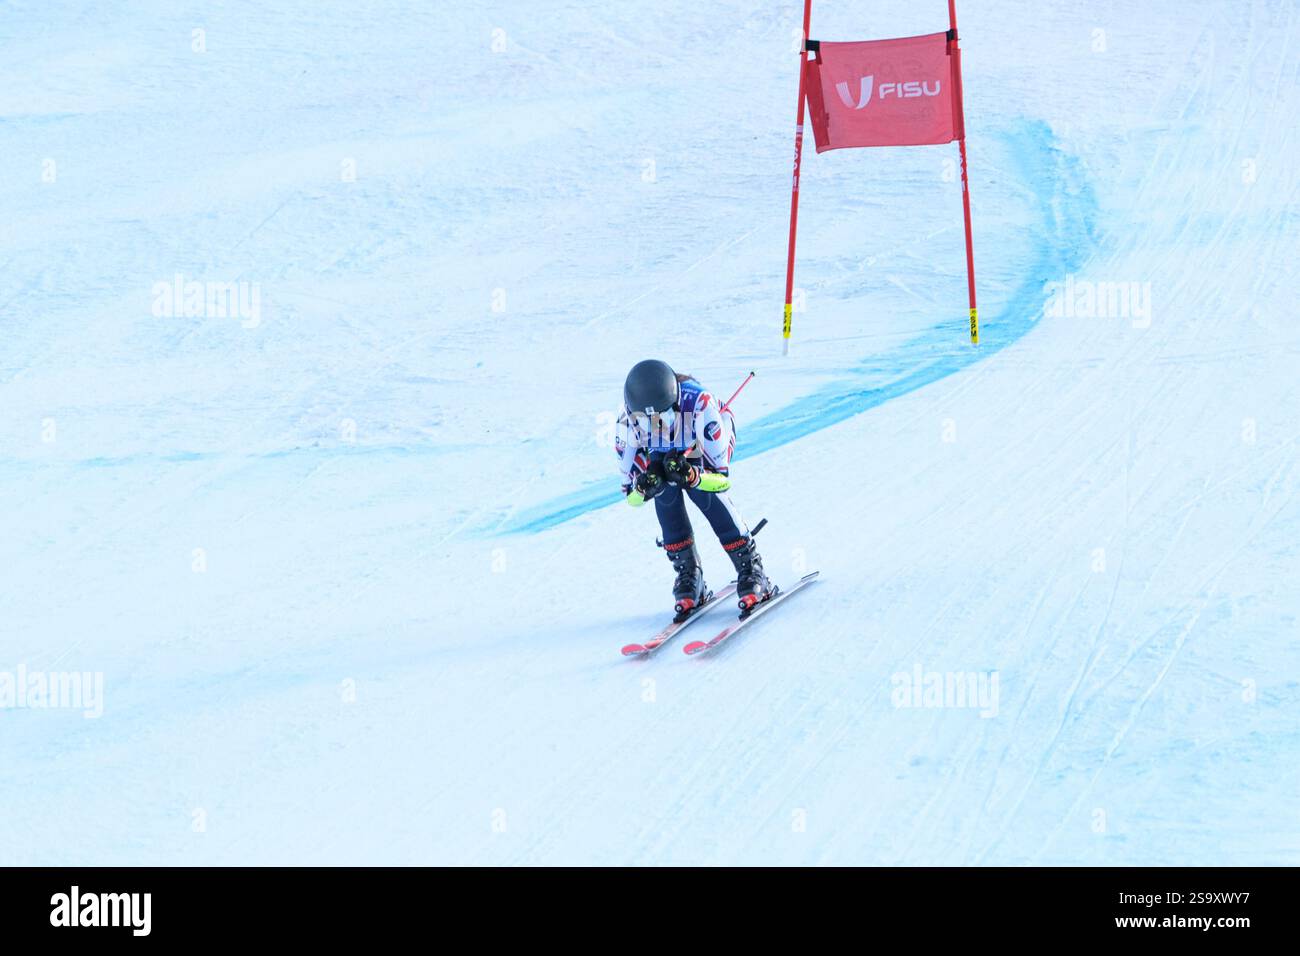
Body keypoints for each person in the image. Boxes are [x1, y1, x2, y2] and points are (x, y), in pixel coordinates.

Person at [616, 359, 773, 617]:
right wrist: (644, 488)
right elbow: (630, 497)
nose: (658, 426)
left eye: (663, 417)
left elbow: (721, 479)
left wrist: (693, 476)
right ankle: (689, 573)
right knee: (663, 486)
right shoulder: (626, 423)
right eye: (647, 421)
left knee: (703, 492)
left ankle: (751, 566)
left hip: (697, 439)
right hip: (663, 451)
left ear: (676, 405)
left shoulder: (701, 407)